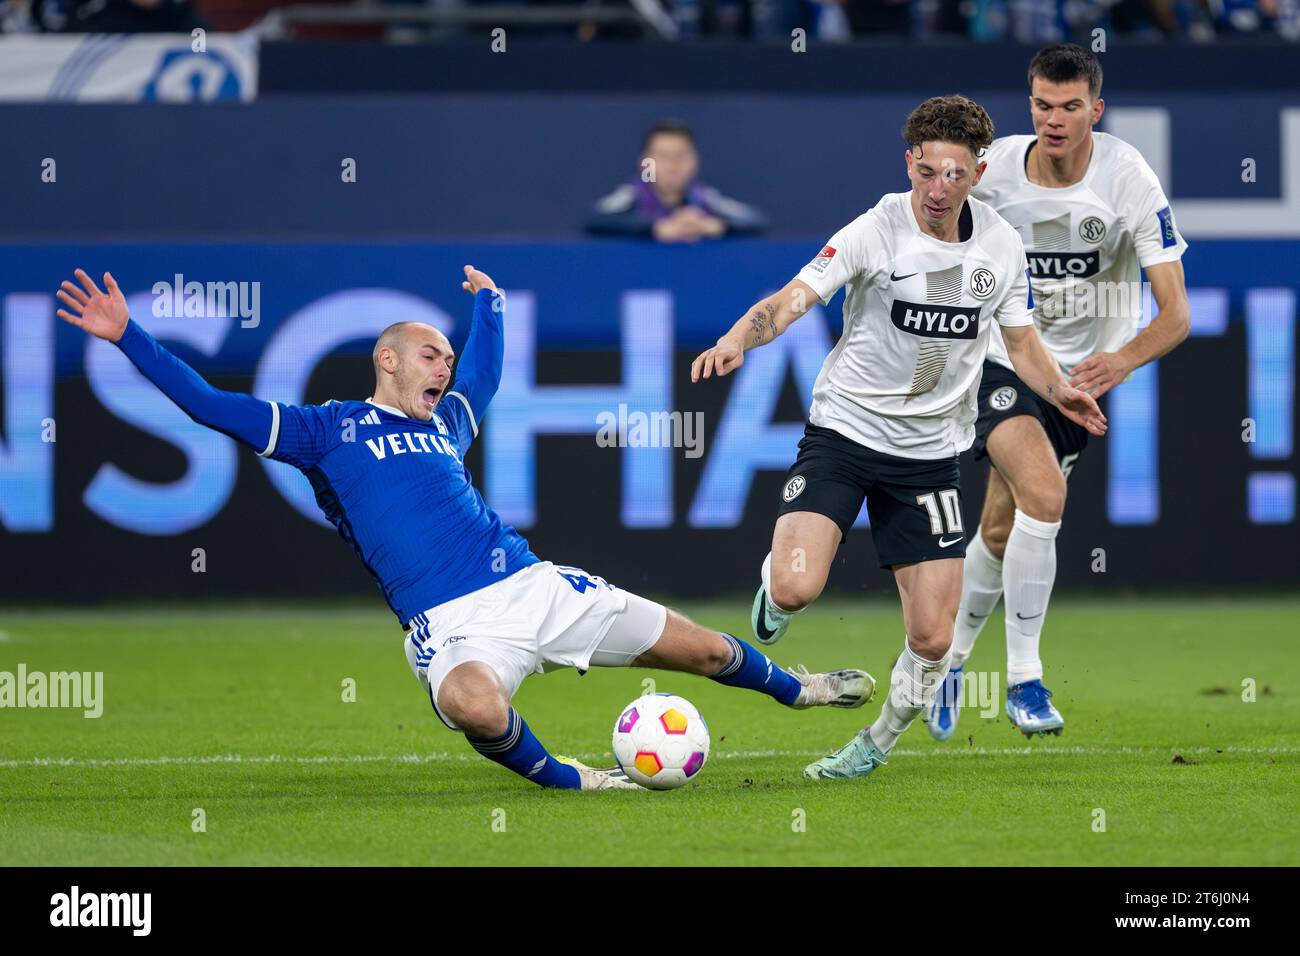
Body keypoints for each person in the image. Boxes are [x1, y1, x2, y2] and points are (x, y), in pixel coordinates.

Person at [55, 264, 873, 792]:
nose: (444, 370)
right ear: (388, 360)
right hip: (448, 624)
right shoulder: (327, 428)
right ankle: (570, 781)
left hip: (529, 584)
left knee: (698, 648)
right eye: (429, 357)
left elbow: (481, 375)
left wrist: (490, 310)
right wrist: (129, 337)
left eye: (445, 360)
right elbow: (211, 406)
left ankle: (798, 690)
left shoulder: (445, 425)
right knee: (477, 706)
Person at [691, 95, 1107, 782]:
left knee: (934, 638)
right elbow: (795, 297)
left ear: (978, 171)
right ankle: (772, 591)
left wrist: (1059, 387)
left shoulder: (1000, 244)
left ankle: (873, 744)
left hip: (930, 458)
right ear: (908, 163)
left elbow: (1022, 341)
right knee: (797, 589)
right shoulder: (875, 229)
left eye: (954, 174)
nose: (937, 190)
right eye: (926, 172)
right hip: (845, 434)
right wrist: (740, 336)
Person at [927, 43, 1190, 741]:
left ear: (1095, 112)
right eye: (1043, 103)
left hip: (1080, 382)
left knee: (1001, 526)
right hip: (1007, 360)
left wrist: (1121, 361)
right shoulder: (995, 174)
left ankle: (947, 661)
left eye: (1071, 106)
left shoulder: (1128, 179)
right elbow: (932, 230)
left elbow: (1177, 315)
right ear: (1032, 103)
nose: (1055, 119)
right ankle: (1024, 680)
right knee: (1046, 496)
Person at [585, 119, 767, 241]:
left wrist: (715, 226)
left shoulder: (706, 198)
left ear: (695, 162)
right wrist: (655, 229)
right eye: (663, 156)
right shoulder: (632, 195)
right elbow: (593, 219)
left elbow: (755, 219)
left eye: (681, 156)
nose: (672, 165)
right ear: (644, 162)